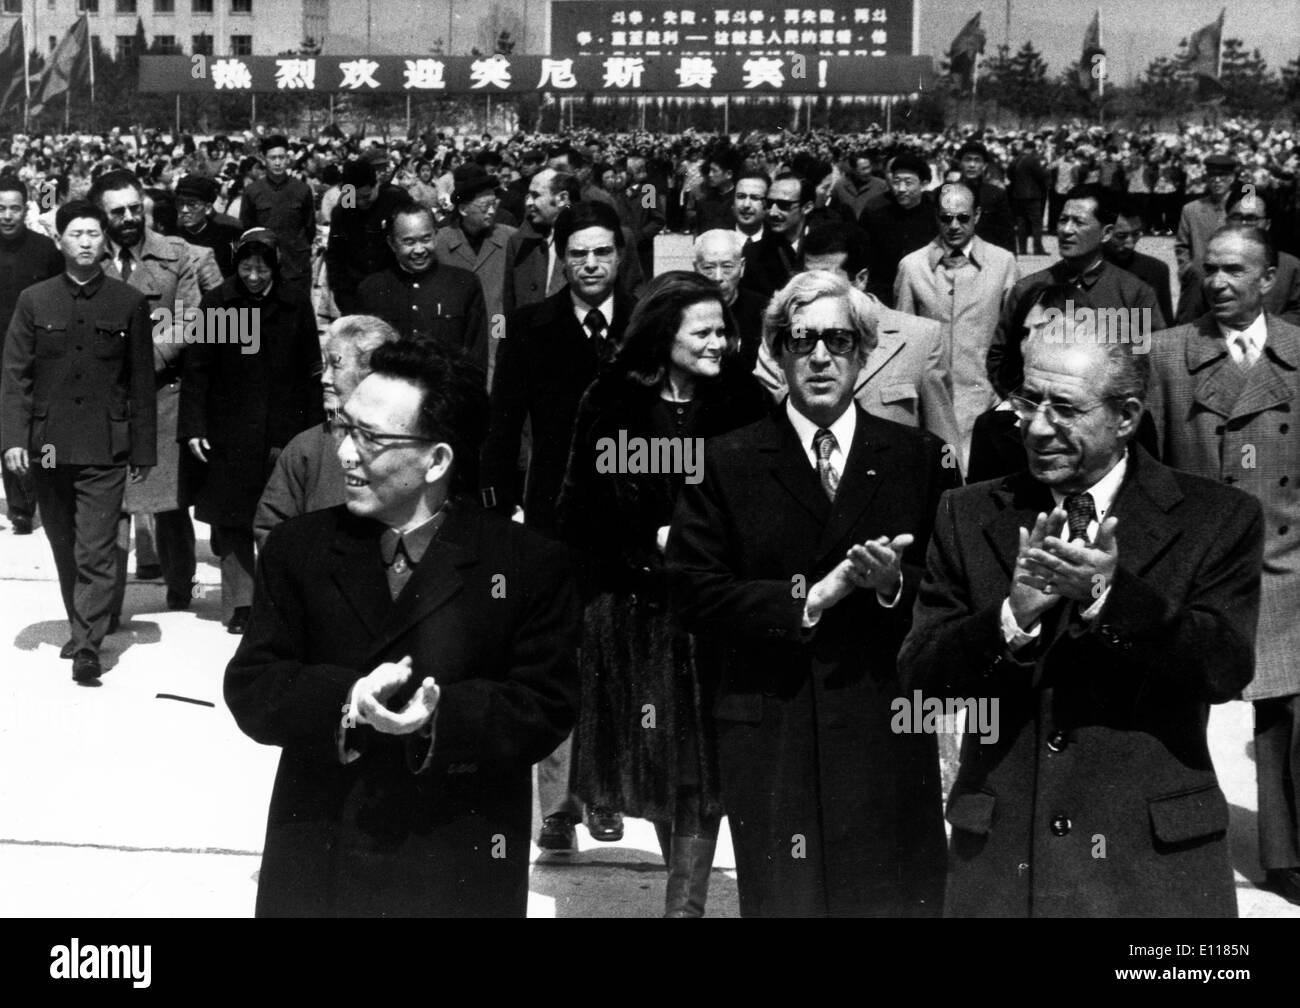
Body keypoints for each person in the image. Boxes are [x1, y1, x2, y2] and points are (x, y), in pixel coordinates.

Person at [898, 330, 1264, 917]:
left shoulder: (1217, 517)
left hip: (1151, 866)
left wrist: (1109, 598)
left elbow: (1223, 669)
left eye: (1064, 408)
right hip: (1006, 865)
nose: (1038, 428)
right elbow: (920, 679)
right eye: (1027, 402)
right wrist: (1011, 618)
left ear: (1126, 417)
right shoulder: (966, 514)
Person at [225, 339, 580, 916]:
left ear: (437, 461)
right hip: (322, 861)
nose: (344, 453)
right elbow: (253, 683)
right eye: (345, 428)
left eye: (371, 439)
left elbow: (546, 705)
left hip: (455, 868)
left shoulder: (528, 564)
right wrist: (347, 701)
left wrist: (440, 719)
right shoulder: (299, 548)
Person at [668, 269, 955, 916]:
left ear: (864, 350)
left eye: (838, 340)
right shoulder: (723, 461)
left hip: (883, 733)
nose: (821, 357)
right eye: (802, 342)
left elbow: (952, 593)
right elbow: (690, 594)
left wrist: (891, 587)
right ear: (776, 351)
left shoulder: (918, 459)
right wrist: (807, 601)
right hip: (773, 733)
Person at [557, 272, 766, 916]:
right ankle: (683, 893)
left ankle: (684, 908)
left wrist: (704, 548)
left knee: (704, 762)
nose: (718, 343)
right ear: (662, 334)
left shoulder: (744, 400)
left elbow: (768, 503)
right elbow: (579, 507)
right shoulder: (612, 399)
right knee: (658, 760)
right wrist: (644, 547)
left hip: (716, 610)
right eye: (701, 331)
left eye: (722, 330)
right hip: (633, 608)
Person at [1147, 226, 1300, 908]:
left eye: (1235, 270)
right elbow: (1145, 460)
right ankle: (1170, 842)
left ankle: (1287, 855)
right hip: (1199, 562)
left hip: (1287, 559)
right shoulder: (1169, 352)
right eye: (1209, 269)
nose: (1218, 282)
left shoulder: (1298, 349)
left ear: (1269, 279)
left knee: (1289, 714)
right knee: (1176, 713)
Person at [481, 200, 638, 854]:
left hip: (634, 519)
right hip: (552, 520)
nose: (592, 265)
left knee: (617, 656)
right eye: (579, 254)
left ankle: (606, 791)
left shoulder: (646, 324)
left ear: (620, 256)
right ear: (561, 258)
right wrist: (498, 507)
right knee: (554, 657)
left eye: (602, 252)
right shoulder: (529, 327)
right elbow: (502, 423)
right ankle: (556, 807)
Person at [0, 200, 156, 683]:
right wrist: (12, 440)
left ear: (103, 241)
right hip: (48, 446)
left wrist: (143, 449)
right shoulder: (35, 300)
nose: (86, 242)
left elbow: (141, 382)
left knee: (95, 546)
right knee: (64, 543)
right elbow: (15, 376)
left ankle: (88, 643)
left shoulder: (127, 302)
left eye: (94, 234)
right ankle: (81, 621)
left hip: (104, 447)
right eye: (76, 234)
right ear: (61, 242)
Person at [179, 229, 324, 635]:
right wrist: (194, 426)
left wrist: (314, 428)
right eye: (246, 267)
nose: (254, 276)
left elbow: (311, 367)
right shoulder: (219, 303)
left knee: (281, 518)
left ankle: (279, 600)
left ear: (275, 265)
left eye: (262, 267)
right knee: (233, 519)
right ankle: (241, 604)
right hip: (230, 430)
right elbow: (197, 370)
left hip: (284, 427)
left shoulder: (295, 303)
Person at [91, 169, 203, 618]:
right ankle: (106, 606)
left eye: (136, 208)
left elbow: (196, 320)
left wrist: (144, 360)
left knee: (170, 504)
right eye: (117, 211)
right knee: (110, 505)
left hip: (163, 394)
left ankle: (181, 590)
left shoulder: (177, 255)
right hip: (106, 401)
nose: (129, 217)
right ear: (102, 214)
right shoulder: (87, 256)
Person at [756, 225, 962, 455]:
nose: (815, 290)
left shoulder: (919, 338)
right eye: (807, 278)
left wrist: (951, 484)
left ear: (860, 279)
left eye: (828, 279)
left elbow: (945, 441)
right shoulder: (787, 339)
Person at [894, 181, 1019, 472]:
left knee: (982, 479)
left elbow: (1013, 337)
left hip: (986, 399)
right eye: (945, 217)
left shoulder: (1003, 264)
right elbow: (901, 341)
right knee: (942, 475)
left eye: (962, 218)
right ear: (935, 216)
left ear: (977, 215)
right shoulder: (912, 267)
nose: (954, 225)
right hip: (932, 403)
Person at [988, 184, 1165, 386]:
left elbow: (1150, 363)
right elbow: (999, 358)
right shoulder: (1028, 289)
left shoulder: (1134, 294)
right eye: (1063, 220)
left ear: (1106, 233)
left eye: (1079, 222)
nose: (1066, 230)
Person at [254, 314, 400, 549]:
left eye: (336, 365)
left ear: (372, 373)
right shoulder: (306, 448)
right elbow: (270, 529)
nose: (324, 378)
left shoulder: (406, 445)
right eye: (324, 366)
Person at [0, 174, 63, 535]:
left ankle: (24, 505)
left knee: (33, 429)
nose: (7, 216)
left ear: (26, 209)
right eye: (1, 208)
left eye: (14, 208)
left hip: (35, 352)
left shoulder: (44, 250)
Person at [356, 205, 487, 373]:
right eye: (409, 242)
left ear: (436, 236)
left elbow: (477, 353)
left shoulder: (464, 284)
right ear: (392, 243)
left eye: (426, 239)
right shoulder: (371, 289)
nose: (419, 250)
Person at [433, 167, 517, 385]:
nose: (491, 212)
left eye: (494, 205)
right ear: (462, 209)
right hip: (456, 333)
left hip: (498, 324)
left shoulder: (509, 238)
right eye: (484, 207)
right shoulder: (440, 242)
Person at [1176, 184, 1300, 326]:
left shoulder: (1291, 267)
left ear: (1267, 224)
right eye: (1237, 217)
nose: (1244, 224)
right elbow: (1187, 323)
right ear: (1227, 221)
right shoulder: (1202, 269)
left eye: (1252, 218)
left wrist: (1260, 330)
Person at [325, 158, 415, 317]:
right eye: (355, 197)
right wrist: (341, 294)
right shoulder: (344, 209)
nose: (360, 202)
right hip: (354, 294)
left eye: (366, 197)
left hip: (393, 289)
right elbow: (335, 254)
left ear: (377, 185)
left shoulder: (396, 199)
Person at [239, 135, 315, 298]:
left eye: (282, 157)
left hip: (296, 265)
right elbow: (247, 230)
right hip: (265, 267)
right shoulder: (252, 191)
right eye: (273, 158)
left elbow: (310, 229)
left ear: (288, 159)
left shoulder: (302, 189)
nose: (278, 162)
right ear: (264, 159)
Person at [859, 153, 939, 306]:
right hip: (883, 294)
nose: (901, 189)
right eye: (896, 182)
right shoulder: (875, 211)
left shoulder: (935, 214)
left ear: (924, 184)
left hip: (924, 293)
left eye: (908, 183)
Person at [693, 229, 767, 371]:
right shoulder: (683, 311)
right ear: (696, 268)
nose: (718, 277)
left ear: (742, 267)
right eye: (708, 268)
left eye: (727, 267)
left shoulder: (765, 310)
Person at [1105, 197, 1175, 325]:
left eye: (1136, 234)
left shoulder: (1157, 271)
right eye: (1121, 236)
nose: (1130, 244)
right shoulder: (1082, 269)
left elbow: (1167, 331)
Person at [740, 172, 809, 300]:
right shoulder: (753, 254)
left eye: (784, 205)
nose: (773, 212)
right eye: (769, 203)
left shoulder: (827, 246)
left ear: (807, 207)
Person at [1175, 153, 1236, 279]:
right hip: (1200, 278)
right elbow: (1182, 246)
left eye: (1222, 175)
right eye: (1212, 175)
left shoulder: (1241, 209)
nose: (1217, 180)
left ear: (1232, 178)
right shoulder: (1191, 209)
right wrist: (1187, 270)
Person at [174, 173, 242, 279]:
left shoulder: (227, 232)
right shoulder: (174, 234)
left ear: (208, 208)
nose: (184, 210)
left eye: (192, 205)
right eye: (180, 203)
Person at [953, 141, 1016, 253]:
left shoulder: (996, 194)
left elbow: (1007, 232)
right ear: (960, 163)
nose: (972, 165)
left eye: (977, 160)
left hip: (987, 257)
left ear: (984, 165)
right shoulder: (947, 192)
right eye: (967, 160)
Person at [1007, 138, 1049, 256]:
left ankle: (1022, 249)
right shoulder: (1033, 160)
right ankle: (1038, 248)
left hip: (1017, 195)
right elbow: (1040, 176)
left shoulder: (1015, 160)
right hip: (1032, 195)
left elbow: (1009, 175)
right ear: (1033, 148)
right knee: (1036, 223)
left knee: (1021, 222)